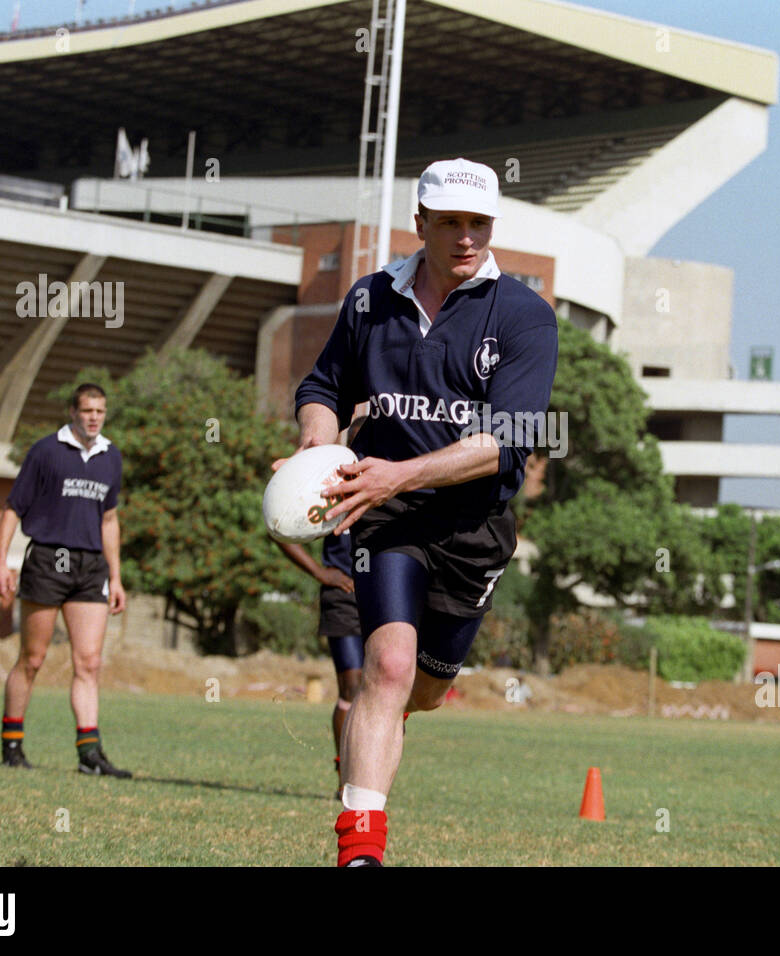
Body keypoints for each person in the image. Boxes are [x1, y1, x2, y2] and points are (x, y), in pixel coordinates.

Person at [285, 158, 558, 865]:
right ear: (422, 224)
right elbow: (323, 385)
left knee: (425, 689)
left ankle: (391, 718)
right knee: (388, 664)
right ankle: (360, 851)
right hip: (387, 517)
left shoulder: (525, 315)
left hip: (474, 529)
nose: (466, 238)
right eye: (451, 223)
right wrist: (316, 446)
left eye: (479, 224)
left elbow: (506, 443)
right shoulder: (371, 299)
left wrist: (400, 473)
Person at [0, 383, 130, 777]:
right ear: (72, 411)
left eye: (100, 411)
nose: (93, 417)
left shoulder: (111, 457)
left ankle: (90, 756)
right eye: (87, 410)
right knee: (32, 659)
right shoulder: (46, 452)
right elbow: (12, 509)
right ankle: (12, 744)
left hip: (90, 568)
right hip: (49, 560)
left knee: (89, 662)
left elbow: (109, 519)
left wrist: (116, 577)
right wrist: (0, 563)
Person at [274, 531, 363, 796]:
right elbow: (280, 529)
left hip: (384, 596)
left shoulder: (391, 491)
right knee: (352, 687)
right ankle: (345, 778)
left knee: (388, 686)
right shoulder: (328, 491)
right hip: (343, 597)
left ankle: (371, 777)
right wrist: (319, 572)